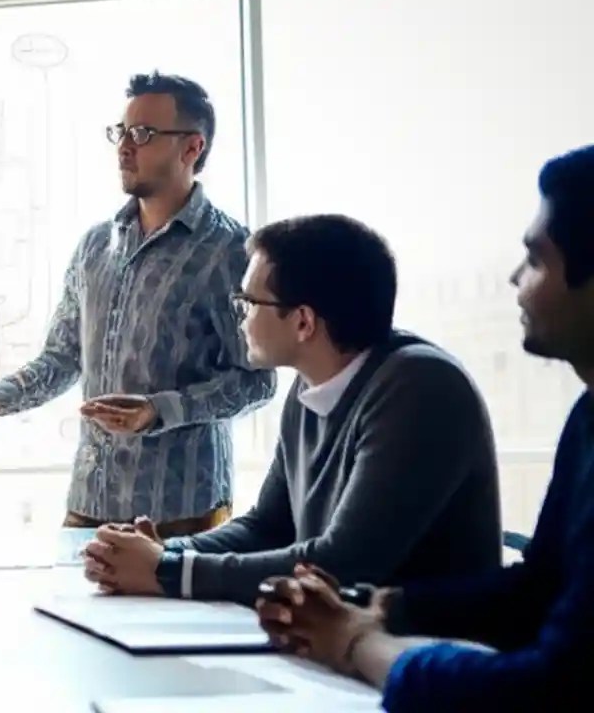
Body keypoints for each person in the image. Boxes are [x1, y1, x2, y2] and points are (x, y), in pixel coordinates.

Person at [255, 145, 594, 710]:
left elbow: (547, 689)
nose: (515, 278)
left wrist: (356, 641)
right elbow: (539, 589)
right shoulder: (587, 416)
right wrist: (387, 607)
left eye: (536, 259)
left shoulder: (418, 384)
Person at [83, 214, 502, 604]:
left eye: (248, 303)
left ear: (303, 321)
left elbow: (343, 562)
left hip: (419, 659)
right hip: (339, 649)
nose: (240, 319)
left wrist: (170, 571)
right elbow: (268, 527)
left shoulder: (420, 388)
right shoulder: (310, 383)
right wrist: (165, 551)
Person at [0, 71, 276, 535]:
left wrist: (159, 409)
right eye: (121, 132)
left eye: (142, 134)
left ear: (191, 148)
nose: (125, 146)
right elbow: (63, 358)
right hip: (88, 506)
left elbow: (255, 383)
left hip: (182, 515)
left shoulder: (230, 251)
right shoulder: (95, 247)